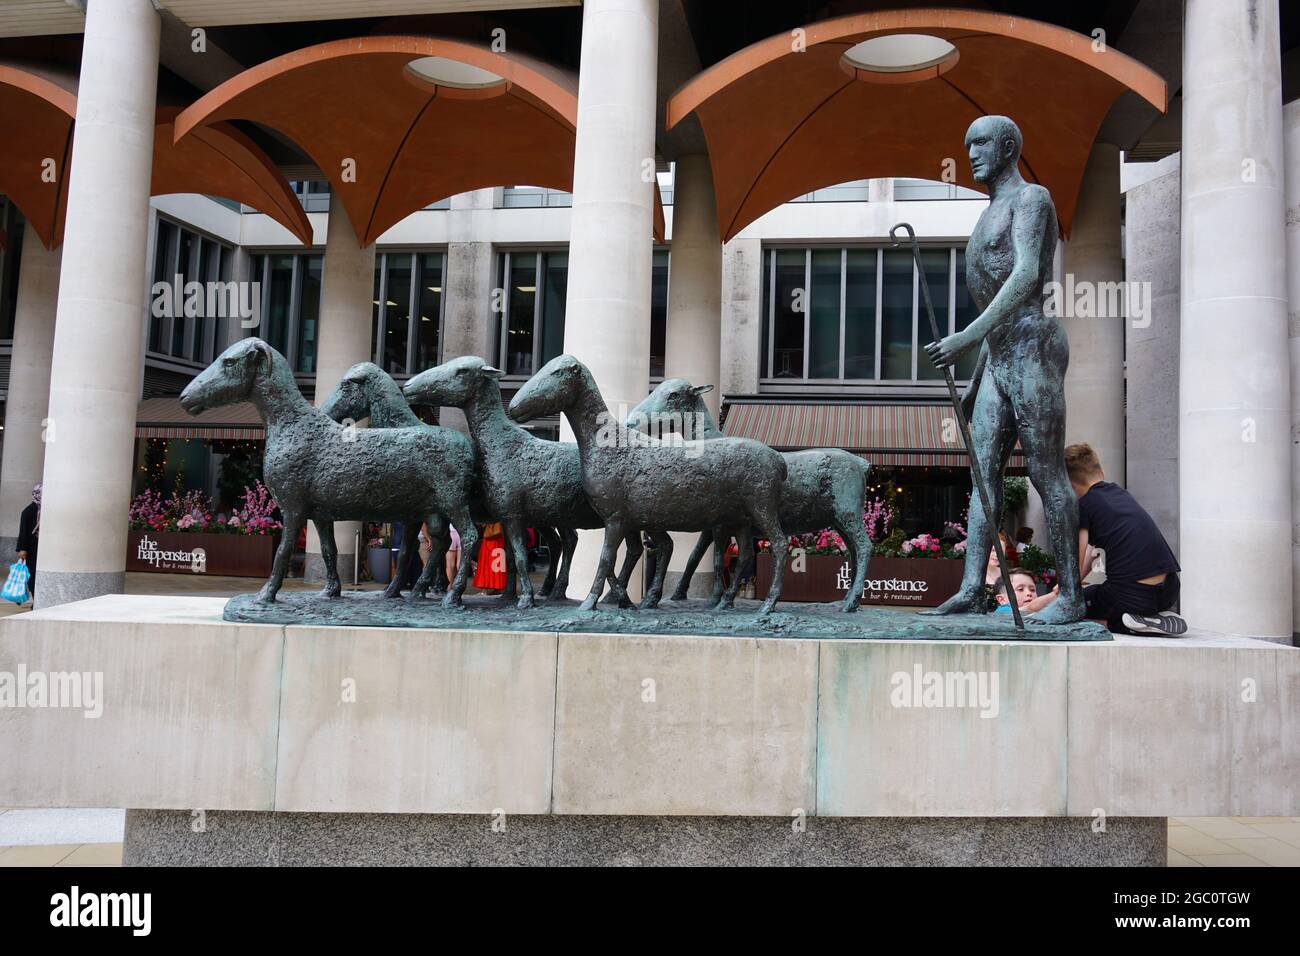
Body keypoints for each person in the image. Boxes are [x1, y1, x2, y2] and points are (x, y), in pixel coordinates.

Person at [923, 115, 1084, 624]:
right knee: (983, 474)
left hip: (1033, 345)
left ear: (1009, 146)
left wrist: (965, 338)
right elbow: (996, 305)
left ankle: (1073, 598)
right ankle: (973, 586)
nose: (970, 153)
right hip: (999, 356)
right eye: (966, 143)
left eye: (981, 143)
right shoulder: (988, 210)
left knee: (1045, 471)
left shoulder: (1031, 199)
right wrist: (976, 378)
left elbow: (1026, 275)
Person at [1065, 443, 1186, 636]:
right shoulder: (1120, 494)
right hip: (1170, 590)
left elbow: (1075, 567)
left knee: (1076, 606)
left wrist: (1057, 596)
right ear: (1101, 471)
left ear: (1069, 485)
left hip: (1132, 595)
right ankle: (1151, 615)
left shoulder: (1084, 505)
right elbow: (1089, 554)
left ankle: (1129, 622)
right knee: (1099, 593)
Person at [993, 567, 1057, 615]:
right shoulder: (1003, 611)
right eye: (1020, 589)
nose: (1029, 593)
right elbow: (1030, 608)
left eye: (1032, 590)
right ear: (1002, 599)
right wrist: (1056, 593)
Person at [16, 483, 39, 603]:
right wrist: (22, 549)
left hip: (39, 549)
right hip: (31, 549)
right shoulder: (29, 511)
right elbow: (23, 531)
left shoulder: (43, 510)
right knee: (32, 575)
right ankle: (36, 600)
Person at [473, 521, 507, 595]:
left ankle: (488, 589)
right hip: (498, 540)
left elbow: (482, 523)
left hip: (491, 540)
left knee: (488, 564)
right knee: (497, 564)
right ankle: (497, 587)